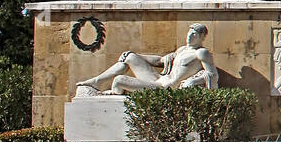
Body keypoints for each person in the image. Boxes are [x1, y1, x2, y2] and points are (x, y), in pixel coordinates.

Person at [76, 23, 218, 95]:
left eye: (194, 34)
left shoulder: (202, 53)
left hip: (165, 88)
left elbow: (212, 74)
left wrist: (193, 81)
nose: (189, 36)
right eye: (189, 33)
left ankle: (115, 92)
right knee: (130, 56)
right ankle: (96, 81)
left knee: (119, 80)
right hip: (157, 79)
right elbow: (159, 61)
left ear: (202, 37)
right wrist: (136, 55)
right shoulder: (182, 50)